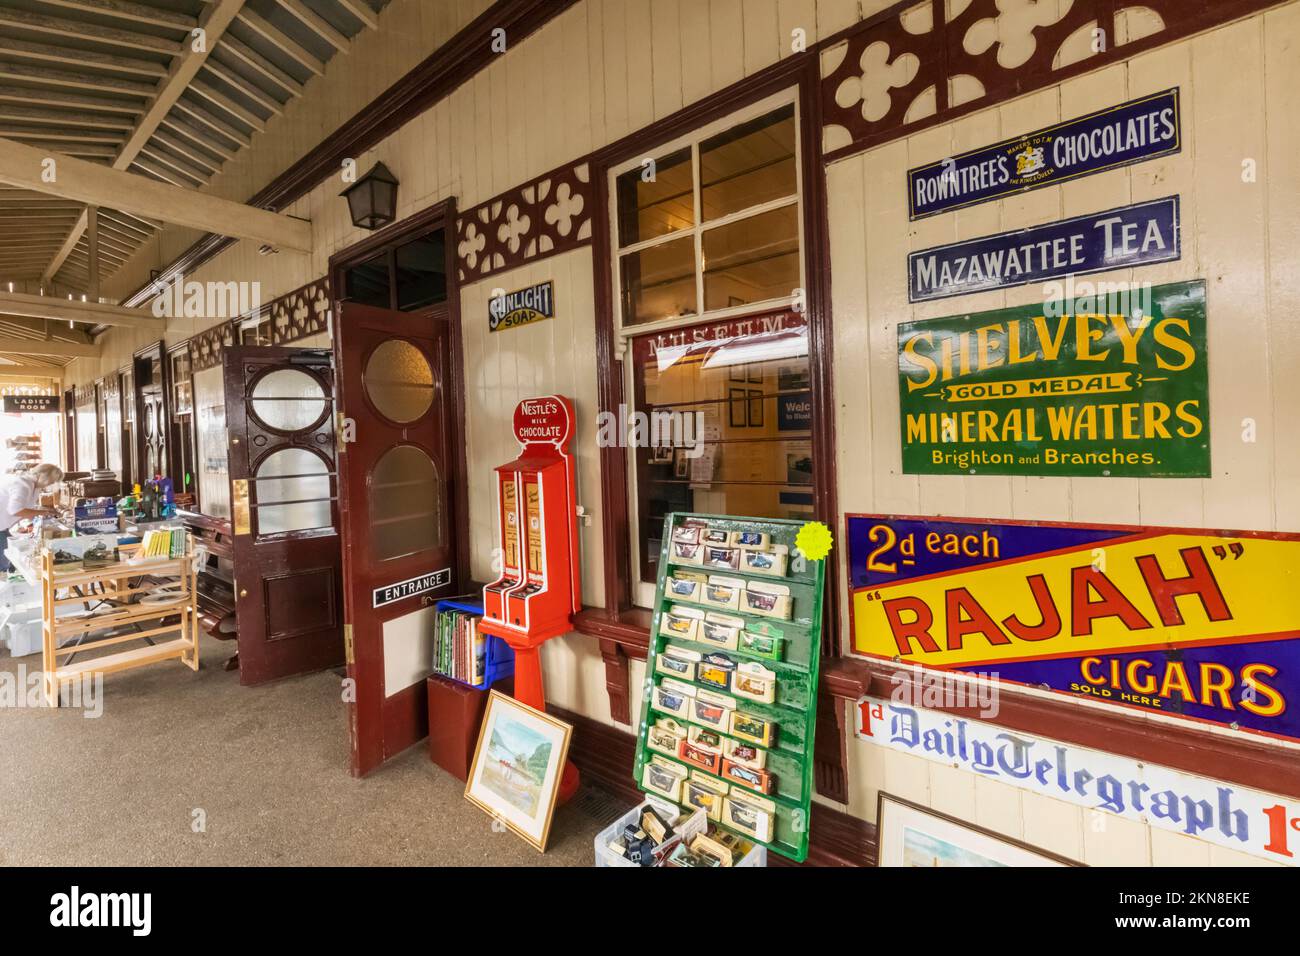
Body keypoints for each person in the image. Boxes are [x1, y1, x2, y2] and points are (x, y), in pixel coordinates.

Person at [0, 463, 63, 572]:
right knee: (6, 563)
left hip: (3, 526)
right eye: (51, 481)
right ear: (43, 476)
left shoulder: (34, 486)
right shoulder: (22, 484)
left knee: (10, 557)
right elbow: (15, 510)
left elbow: (26, 506)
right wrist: (42, 512)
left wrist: (43, 511)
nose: (51, 484)